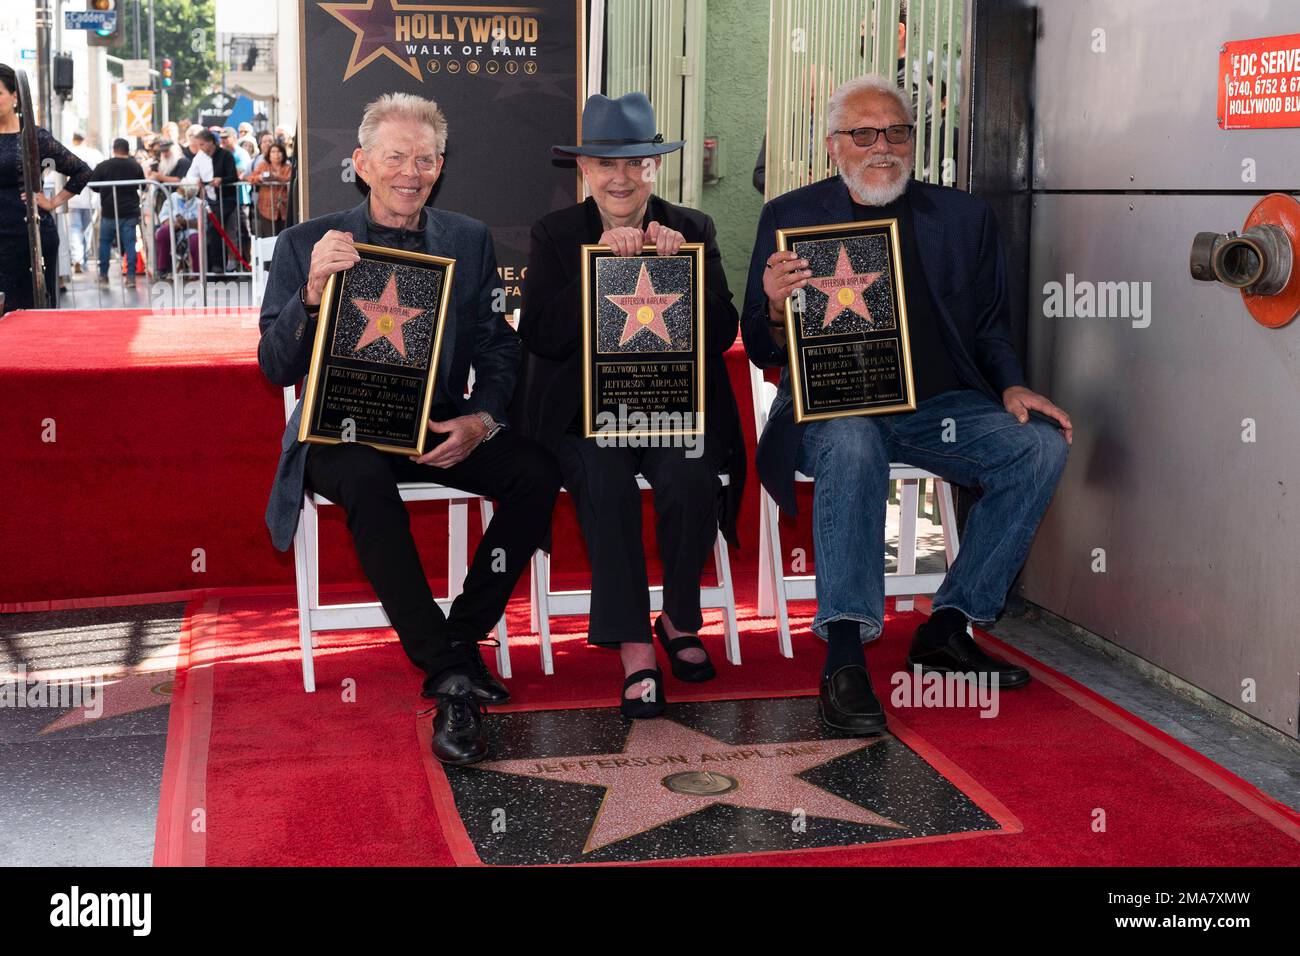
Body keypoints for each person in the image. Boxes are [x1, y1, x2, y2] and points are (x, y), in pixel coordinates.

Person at [741, 75, 1072, 735]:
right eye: (863, 133)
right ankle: (844, 653)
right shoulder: (790, 215)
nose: (881, 145)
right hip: (830, 408)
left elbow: (990, 327)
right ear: (834, 146)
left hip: (938, 408)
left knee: (1039, 445)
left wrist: (1010, 384)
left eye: (895, 131)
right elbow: (757, 344)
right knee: (855, 438)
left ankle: (948, 627)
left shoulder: (963, 217)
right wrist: (777, 308)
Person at [258, 92, 561, 766]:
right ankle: (447, 668)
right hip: (340, 431)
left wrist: (481, 420)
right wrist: (309, 294)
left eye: (424, 159)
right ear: (362, 163)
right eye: (395, 156)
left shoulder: (467, 238)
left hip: (432, 421)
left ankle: (461, 635)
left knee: (536, 472)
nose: (410, 171)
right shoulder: (306, 243)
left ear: (441, 166)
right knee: (363, 476)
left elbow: (499, 347)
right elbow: (275, 366)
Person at [516, 93, 747, 718]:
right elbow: (539, 334)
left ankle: (677, 617)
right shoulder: (555, 234)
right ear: (584, 171)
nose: (620, 177)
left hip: (668, 406)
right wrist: (598, 269)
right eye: (605, 163)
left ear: (654, 168)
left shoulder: (693, 227)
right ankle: (633, 646)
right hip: (581, 415)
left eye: (636, 163)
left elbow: (723, 332)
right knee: (605, 475)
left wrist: (684, 271)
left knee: (691, 472)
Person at [0, 64, 92, 312]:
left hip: (30, 235)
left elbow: (82, 171)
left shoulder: (33, 136)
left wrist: (51, 202)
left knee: (32, 311)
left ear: (15, 97)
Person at [88, 138, 146, 283]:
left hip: (109, 211)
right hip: (129, 212)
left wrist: (104, 190)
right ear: (128, 150)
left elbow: (93, 185)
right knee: (130, 244)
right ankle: (131, 277)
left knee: (105, 243)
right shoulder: (135, 166)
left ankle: (103, 275)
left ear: (114, 149)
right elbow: (143, 186)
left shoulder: (103, 166)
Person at [66, 131, 103, 274]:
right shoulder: (95, 154)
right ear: (84, 139)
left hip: (71, 197)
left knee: (74, 229)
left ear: (74, 139)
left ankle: (77, 259)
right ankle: (84, 259)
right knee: (87, 230)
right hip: (90, 198)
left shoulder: (68, 152)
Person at [244, 140, 291, 237]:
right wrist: (260, 178)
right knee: (269, 237)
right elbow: (251, 178)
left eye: (279, 151)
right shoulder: (263, 166)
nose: (276, 154)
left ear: (283, 153)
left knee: (284, 236)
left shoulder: (288, 167)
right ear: (269, 154)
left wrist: (276, 177)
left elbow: (289, 179)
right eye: (273, 152)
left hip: (284, 208)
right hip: (266, 208)